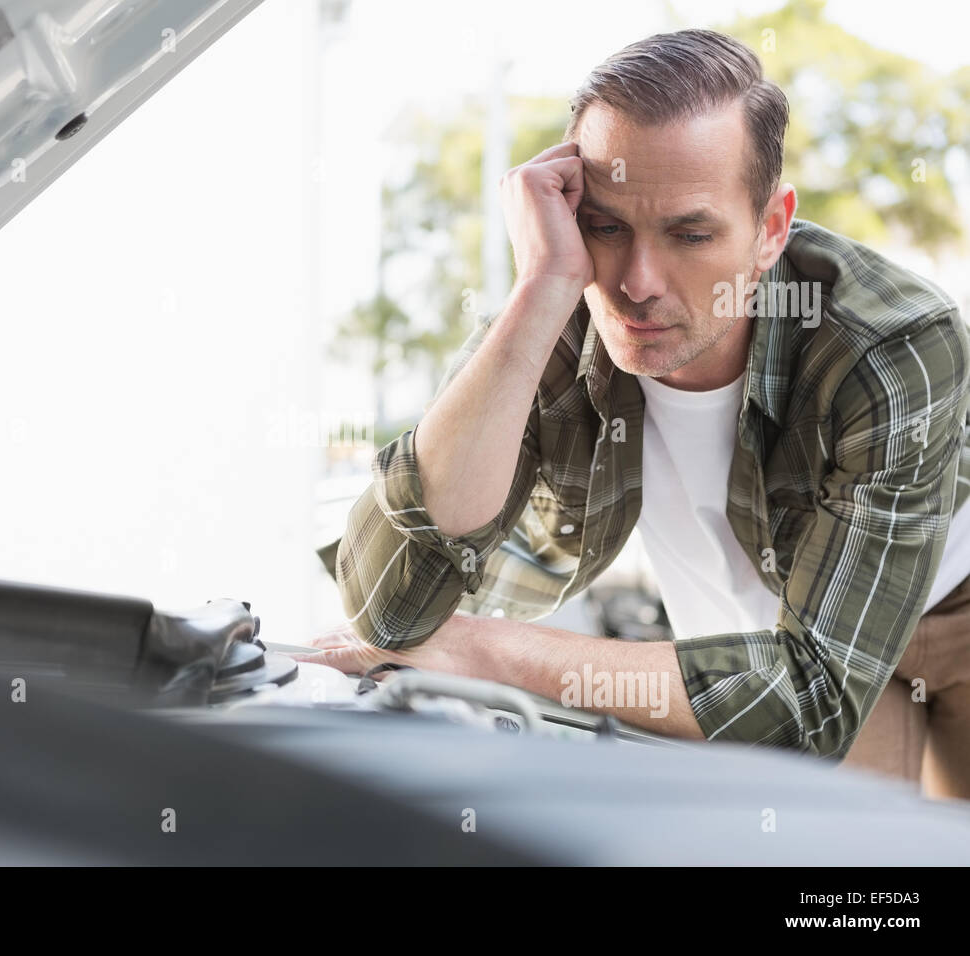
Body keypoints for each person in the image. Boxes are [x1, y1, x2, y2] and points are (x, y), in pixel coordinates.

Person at [309, 28, 970, 798]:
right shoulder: (552, 319)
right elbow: (389, 611)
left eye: (690, 234)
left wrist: (487, 650)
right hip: (771, 643)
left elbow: (817, 694)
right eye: (606, 227)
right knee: (845, 884)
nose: (638, 283)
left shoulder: (891, 343)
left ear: (771, 229)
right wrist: (538, 292)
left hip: (949, 611)